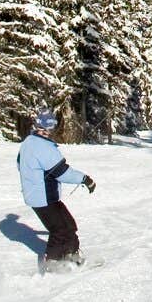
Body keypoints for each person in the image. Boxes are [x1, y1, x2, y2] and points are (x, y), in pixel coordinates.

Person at [17, 111, 95, 268]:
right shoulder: (43, 147)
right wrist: (85, 179)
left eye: (48, 128)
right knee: (59, 229)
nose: (46, 131)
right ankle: (51, 262)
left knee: (68, 224)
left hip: (43, 196)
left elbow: (20, 164)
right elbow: (62, 172)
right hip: (43, 197)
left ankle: (71, 255)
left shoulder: (28, 142)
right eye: (44, 127)